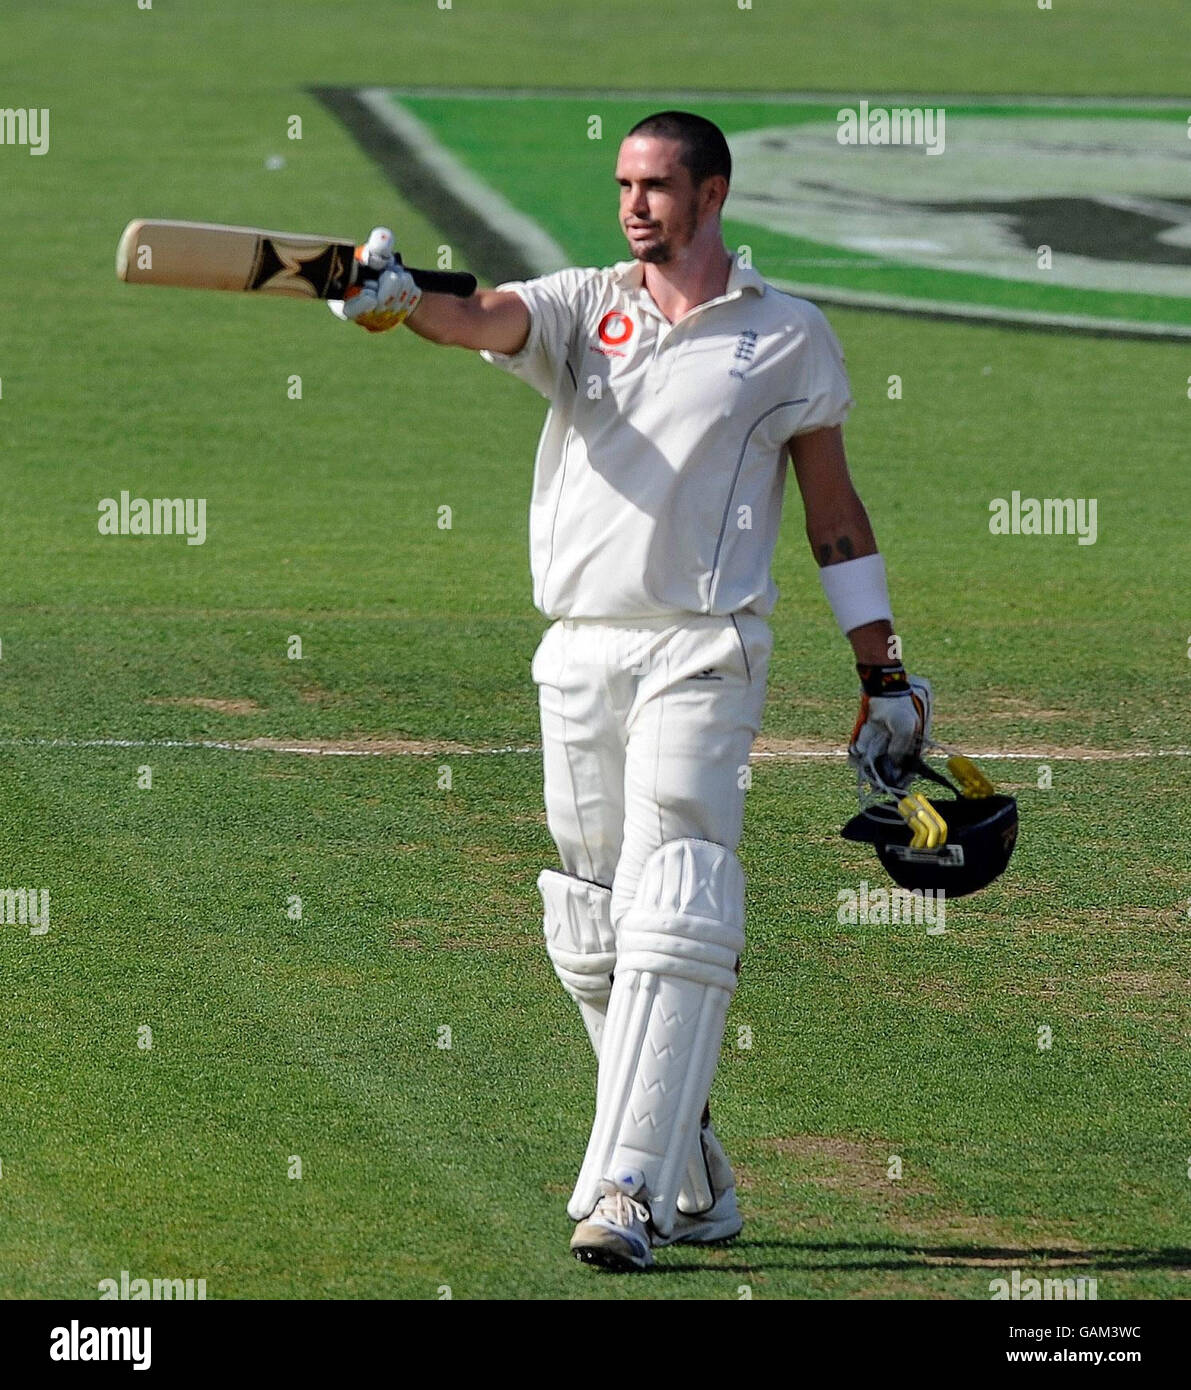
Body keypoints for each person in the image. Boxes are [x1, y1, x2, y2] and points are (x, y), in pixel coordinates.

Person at [331, 111, 927, 1272]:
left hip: (707, 647)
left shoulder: (787, 338)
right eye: (623, 184)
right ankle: (699, 1176)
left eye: (657, 186)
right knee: (591, 924)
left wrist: (885, 671)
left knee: (680, 899)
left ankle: (629, 1191)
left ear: (712, 197)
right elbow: (480, 315)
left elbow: (835, 515)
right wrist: (399, 302)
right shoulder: (580, 306)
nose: (634, 205)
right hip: (580, 648)